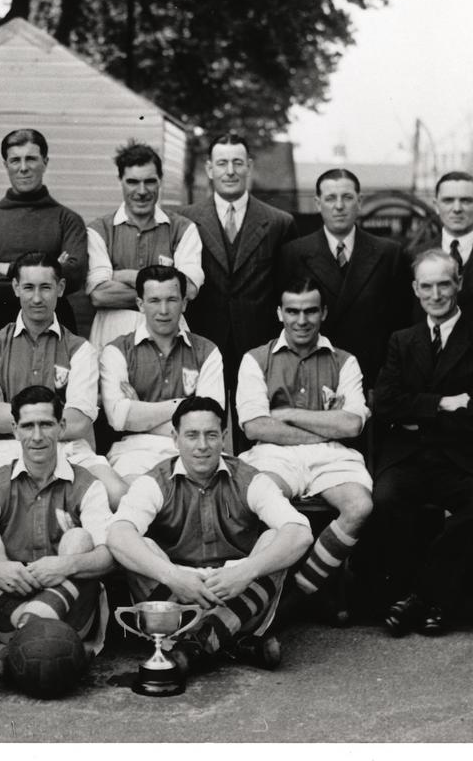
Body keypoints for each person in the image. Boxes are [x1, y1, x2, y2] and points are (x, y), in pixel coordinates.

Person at [106, 396, 312, 671]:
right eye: (192, 435)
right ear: (175, 438)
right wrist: (174, 577)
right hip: (177, 598)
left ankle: (198, 644)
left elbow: (300, 533)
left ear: (224, 438)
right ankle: (231, 643)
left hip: (236, 591)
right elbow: (117, 536)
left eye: (211, 435)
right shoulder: (155, 481)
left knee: (277, 538)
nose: (202, 445)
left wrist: (246, 572)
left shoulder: (248, 478)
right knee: (137, 543)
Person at [370, 249, 473, 636]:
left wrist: (418, 417)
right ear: (415, 289)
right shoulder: (401, 340)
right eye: (426, 286)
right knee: (386, 498)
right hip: (409, 457)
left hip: (465, 459)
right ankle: (442, 599)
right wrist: (444, 403)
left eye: (444, 284)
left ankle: (422, 597)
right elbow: (387, 405)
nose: (436, 294)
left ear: (458, 284)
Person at [236, 277, 372, 621]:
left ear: (323, 313)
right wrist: (324, 425)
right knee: (260, 497)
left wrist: (290, 414)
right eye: (293, 311)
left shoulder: (345, 361)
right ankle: (266, 593)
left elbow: (352, 425)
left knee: (359, 506)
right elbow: (255, 426)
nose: (301, 320)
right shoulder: (255, 359)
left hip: (332, 457)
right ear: (279, 312)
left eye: (310, 311)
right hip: (273, 452)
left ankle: (297, 594)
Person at [0, 251, 126, 508]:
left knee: (118, 494)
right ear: (15, 288)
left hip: (67, 448)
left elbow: (78, 423)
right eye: (28, 287)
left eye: (45, 287)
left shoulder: (80, 349)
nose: (36, 298)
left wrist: (9, 410)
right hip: (3, 447)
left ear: (60, 288)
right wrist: (56, 413)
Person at [0, 385, 115, 674]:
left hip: (70, 619)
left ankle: (16, 647)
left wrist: (65, 566)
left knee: (79, 537)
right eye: (28, 426)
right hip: (7, 609)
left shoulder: (87, 485)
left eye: (46, 424)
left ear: (62, 427)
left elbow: (110, 556)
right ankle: (26, 631)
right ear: (14, 429)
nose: (37, 436)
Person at [176, 134, 297, 449]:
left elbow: (286, 289)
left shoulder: (278, 223)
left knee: (254, 429)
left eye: (237, 163)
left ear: (250, 167)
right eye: (222, 163)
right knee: (203, 426)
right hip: (204, 343)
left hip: (257, 344)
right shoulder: (186, 221)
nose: (230, 171)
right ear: (209, 169)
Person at [278, 168, 410, 389]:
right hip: (312, 374)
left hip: (371, 375)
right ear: (318, 203)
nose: (339, 206)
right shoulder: (293, 254)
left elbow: (401, 325)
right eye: (330, 198)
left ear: (359, 202)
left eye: (347, 198)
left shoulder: (389, 253)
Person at [0, 128, 87, 348]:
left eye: (31, 159)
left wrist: (4, 268)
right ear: (5, 165)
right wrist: (49, 272)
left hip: (55, 326)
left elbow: (75, 275)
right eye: (15, 160)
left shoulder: (68, 220)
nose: (23, 168)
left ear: (45, 162)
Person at [99, 265, 224, 478]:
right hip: (134, 452)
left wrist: (141, 414)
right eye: (154, 301)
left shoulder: (207, 351)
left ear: (184, 303)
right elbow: (118, 418)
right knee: (134, 496)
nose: (163, 310)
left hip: (195, 451)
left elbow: (210, 420)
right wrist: (183, 405)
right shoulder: (116, 351)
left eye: (172, 300)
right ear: (140, 304)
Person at [86, 142, 203, 348]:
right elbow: (99, 295)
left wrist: (123, 276)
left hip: (169, 337)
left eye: (150, 181)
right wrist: (165, 291)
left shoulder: (183, 229)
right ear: (120, 181)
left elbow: (190, 290)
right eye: (132, 182)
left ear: (160, 182)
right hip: (112, 336)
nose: (141, 191)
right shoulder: (99, 230)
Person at [409, 171, 473, 328]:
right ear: (436, 205)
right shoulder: (412, 256)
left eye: (466, 201)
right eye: (448, 200)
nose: (457, 208)